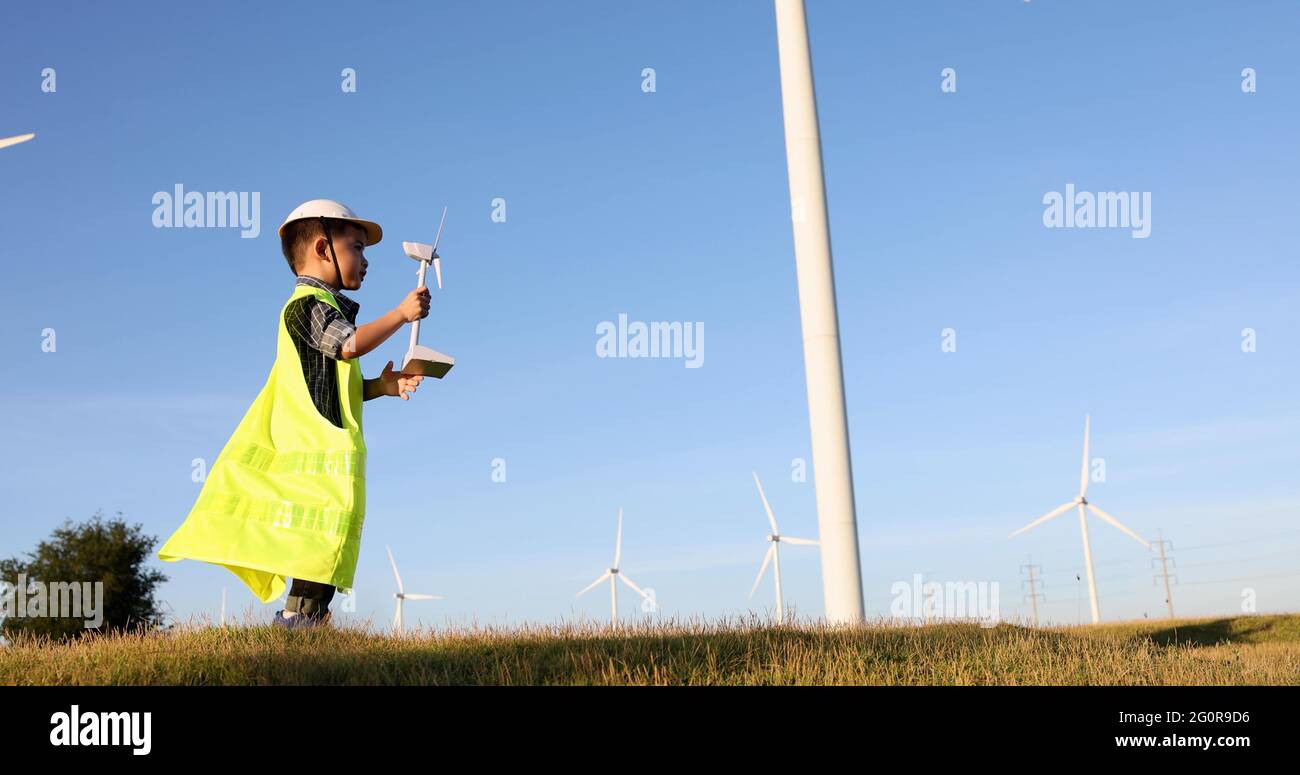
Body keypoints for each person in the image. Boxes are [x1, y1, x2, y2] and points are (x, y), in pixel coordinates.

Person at [157, 199, 432, 628]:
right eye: (357, 247)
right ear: (324, 249)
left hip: (325, 453)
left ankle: (305, 619)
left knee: (323, 543)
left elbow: (328, 386)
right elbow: (349, 345)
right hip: (315, 455)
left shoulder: (325, 307)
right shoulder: (307, 306)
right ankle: (297, 621)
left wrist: (380, 386)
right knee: (317, 545)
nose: (365, 260)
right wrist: (400, 314)